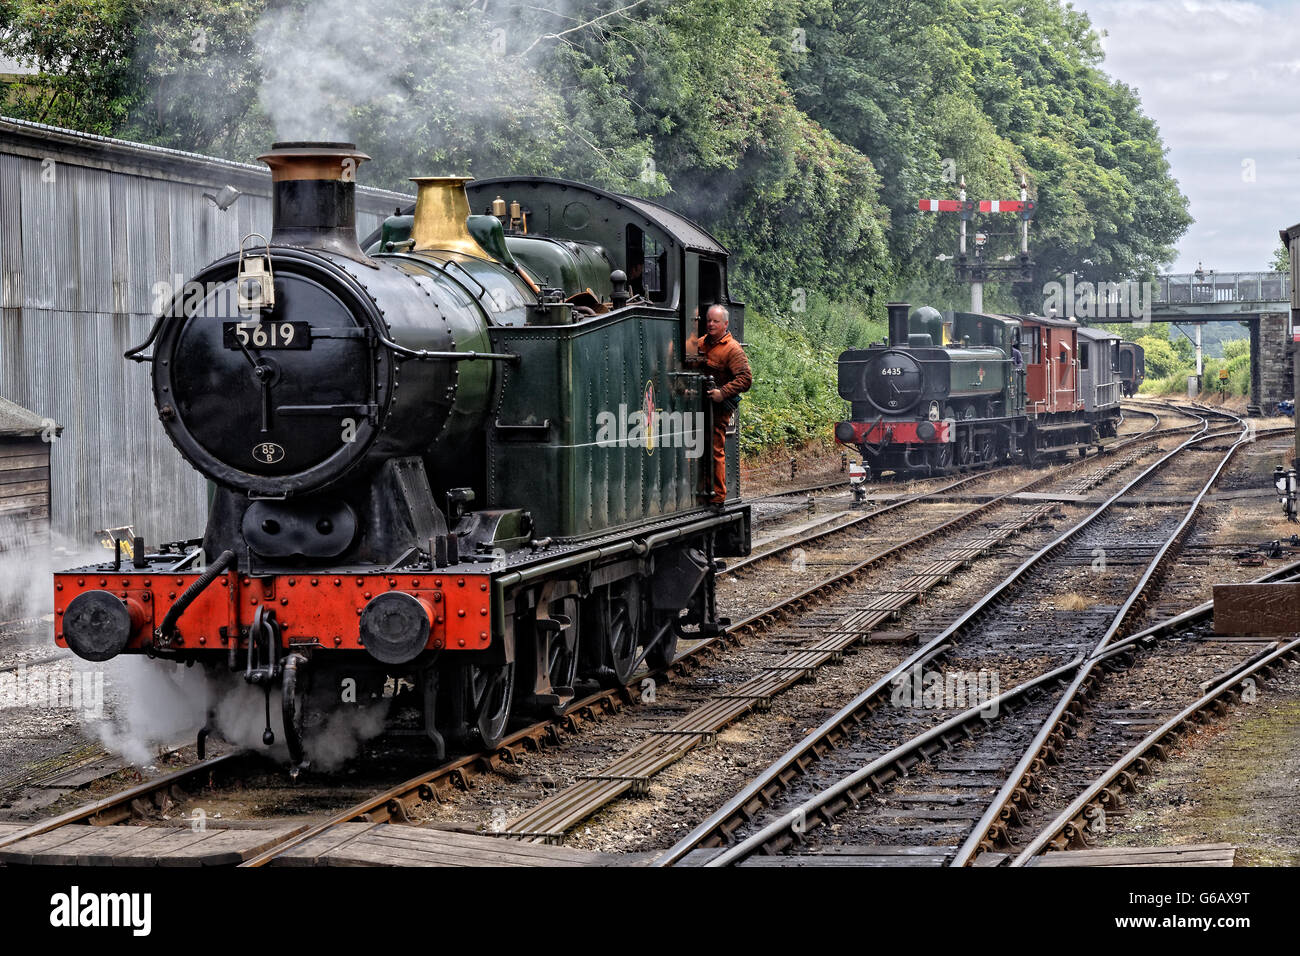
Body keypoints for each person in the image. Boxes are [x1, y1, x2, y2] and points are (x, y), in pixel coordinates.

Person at [690, 304, 752, 508]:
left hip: (718, 407)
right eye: (708, 320)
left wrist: (722, 393)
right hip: (700, 404)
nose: (711, 324)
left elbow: (745, 379)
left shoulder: (733, 349)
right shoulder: (701, 343)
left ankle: (718, 496)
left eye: (715, 321)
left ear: (725, 324)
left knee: (715, 447)